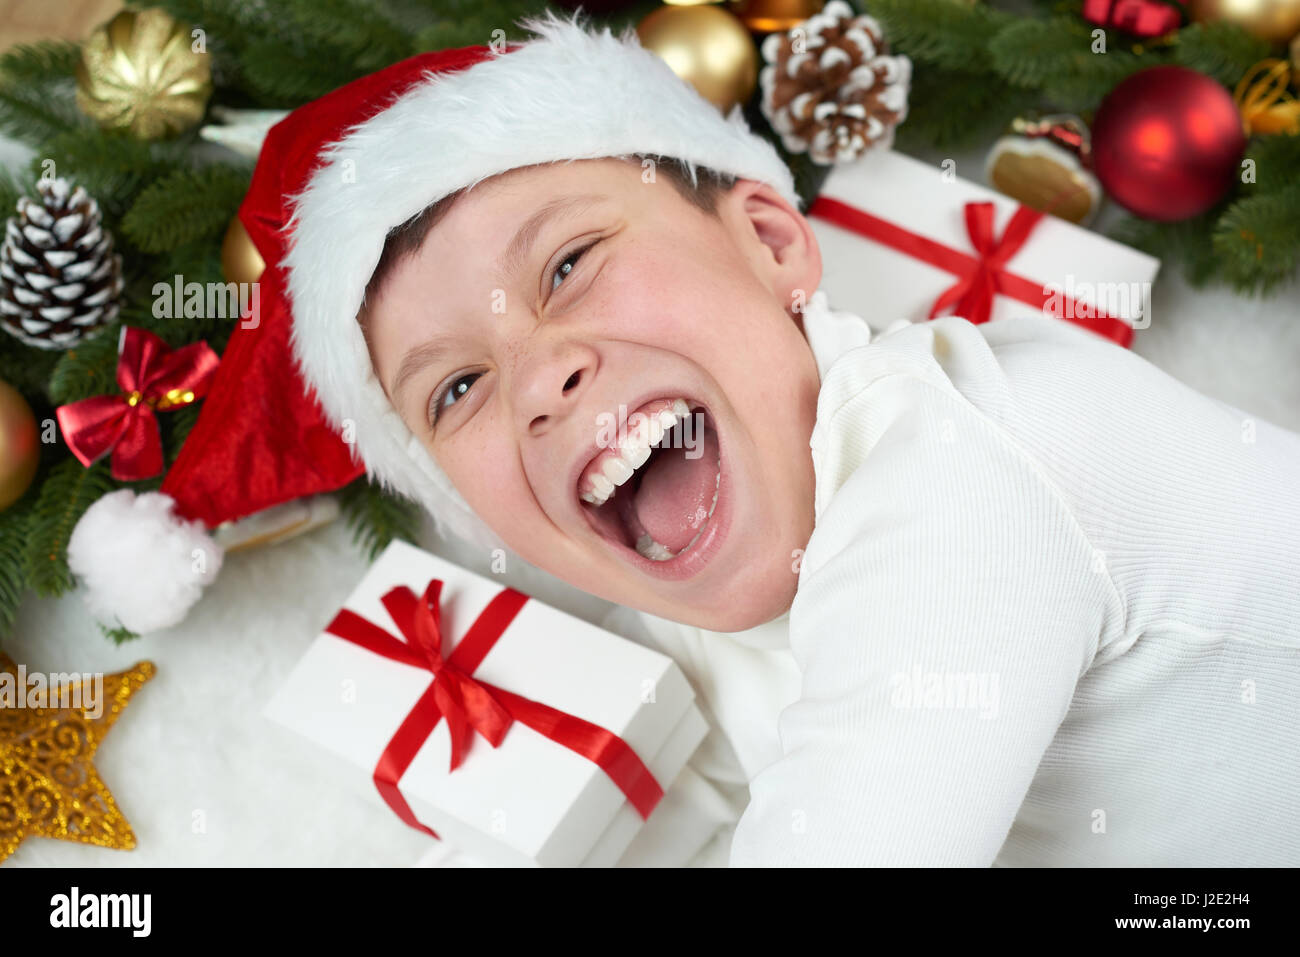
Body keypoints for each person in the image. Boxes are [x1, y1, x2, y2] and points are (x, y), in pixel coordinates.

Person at [91, 11, 1300, 865]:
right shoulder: (708, 609)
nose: (538, 379)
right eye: (455, 389)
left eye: (567, 264)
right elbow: (646, 804)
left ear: (771, 243)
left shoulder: (971, 459)